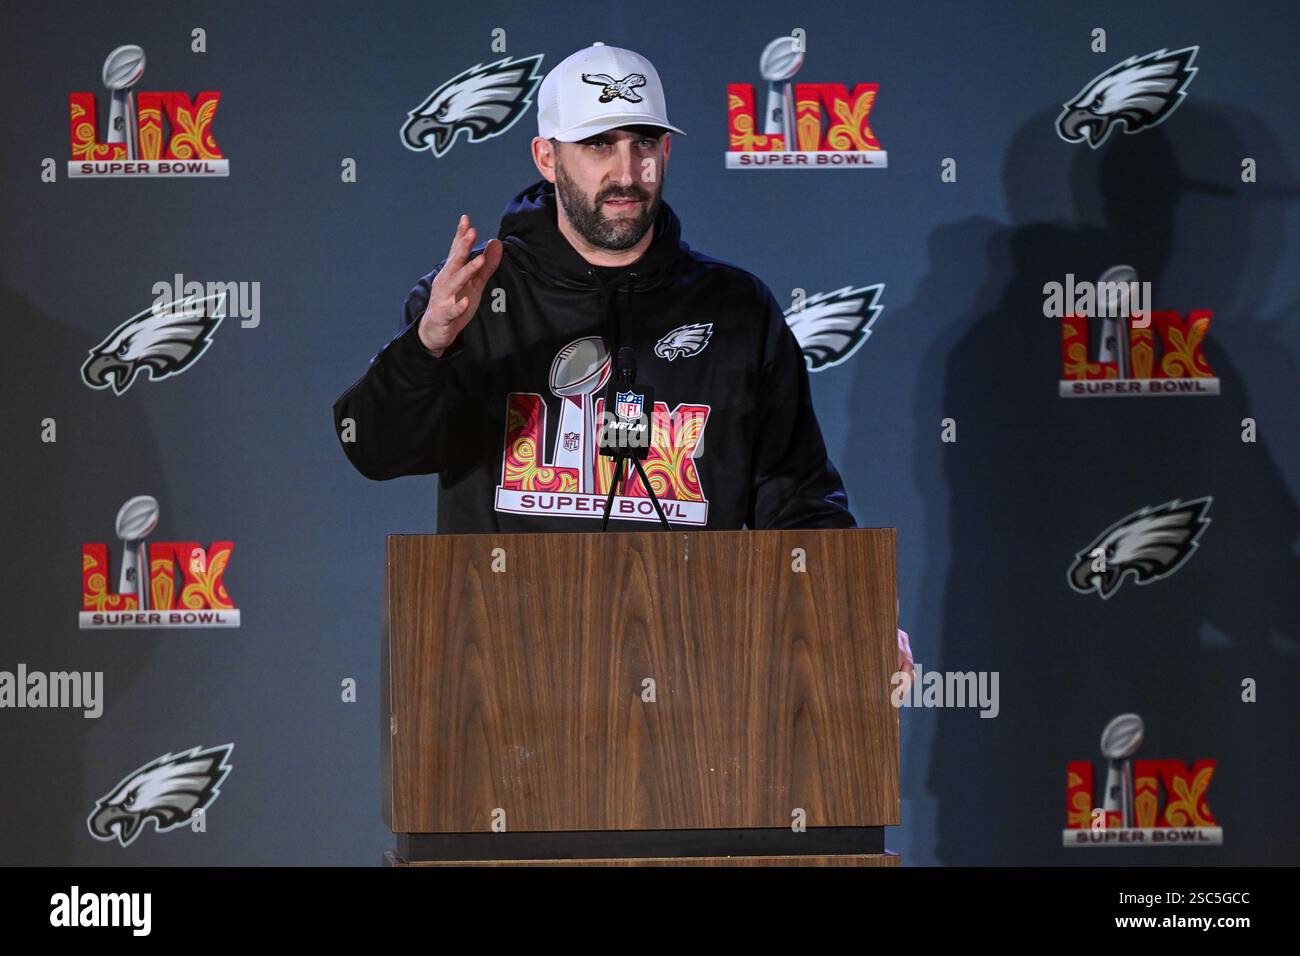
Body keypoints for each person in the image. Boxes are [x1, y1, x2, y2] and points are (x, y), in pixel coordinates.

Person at [332, 41, 912, 674]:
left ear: (666, 151)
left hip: (697, 680)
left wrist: (859, 619)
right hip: (506, 679)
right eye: (598, 145)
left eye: (644, 144)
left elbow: (796, 498)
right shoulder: (475, 298)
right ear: (547, 157)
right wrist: (429, 346)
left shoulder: (737, 308)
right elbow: (376, 449)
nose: (627, 173)